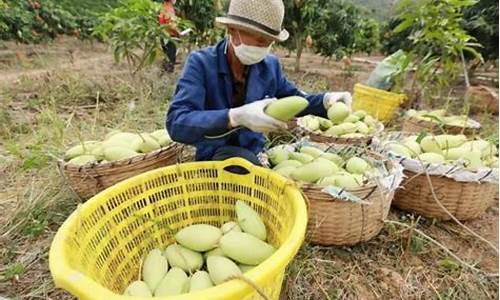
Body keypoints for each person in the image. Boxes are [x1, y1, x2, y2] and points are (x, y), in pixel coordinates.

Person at [166, 0, 352, 165]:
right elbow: (177, 122)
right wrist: (233, 117)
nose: (264, 48)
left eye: (270, 42)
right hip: (214, 158)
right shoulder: (201, 63)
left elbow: (296, 99)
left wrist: (327, 101)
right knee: (239, 160)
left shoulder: (269, 66)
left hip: (255, 155)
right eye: (260, 40)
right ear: (232, 30)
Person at [159, 0, 180, 73]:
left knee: (166, 57)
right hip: (170, 37)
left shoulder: (163, 8)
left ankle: (163, 76)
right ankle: (167, 77)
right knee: (170, 59)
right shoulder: (169, 9)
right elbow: (172, 26)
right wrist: (178, 33)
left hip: (163, 36)